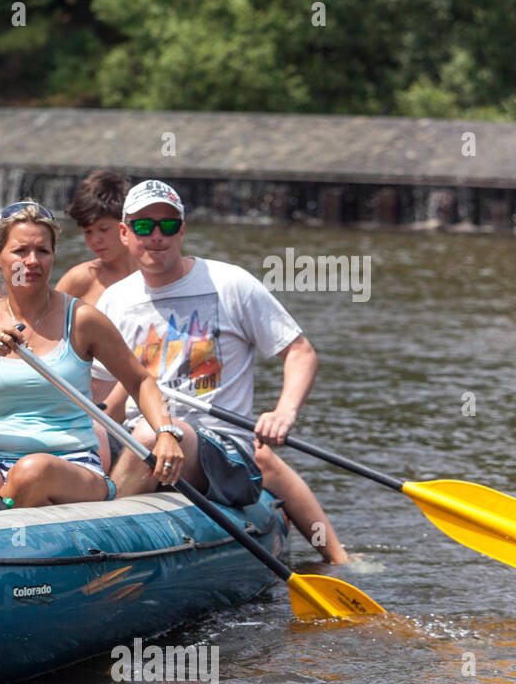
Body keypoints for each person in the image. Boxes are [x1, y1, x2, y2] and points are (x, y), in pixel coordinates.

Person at [93, 179, 350, 563]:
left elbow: (299, 351)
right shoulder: (115, 299)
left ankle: (98, 541)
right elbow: (97, 394)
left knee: (153, 432)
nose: (156, 236)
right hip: (140, 439)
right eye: (144, 226)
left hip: (223, 450)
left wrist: (283, 412)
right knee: (97, 433)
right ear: (125, 234)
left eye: (168, 224)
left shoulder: (232, 284)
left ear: (183, 230)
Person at [0, 201, 183, 508]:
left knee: (33, 470)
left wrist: (165, 432)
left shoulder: (81, 319)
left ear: (53, 256)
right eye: (21, 251)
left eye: (43, 251)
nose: (32, 261)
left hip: (70, 467)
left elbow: (140, 380)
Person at [58, 170, 136, 307]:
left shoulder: (155, 273)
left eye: (103, 229)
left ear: (126, 223)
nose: (95, 240)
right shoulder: (79, 280)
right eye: (87, 231)